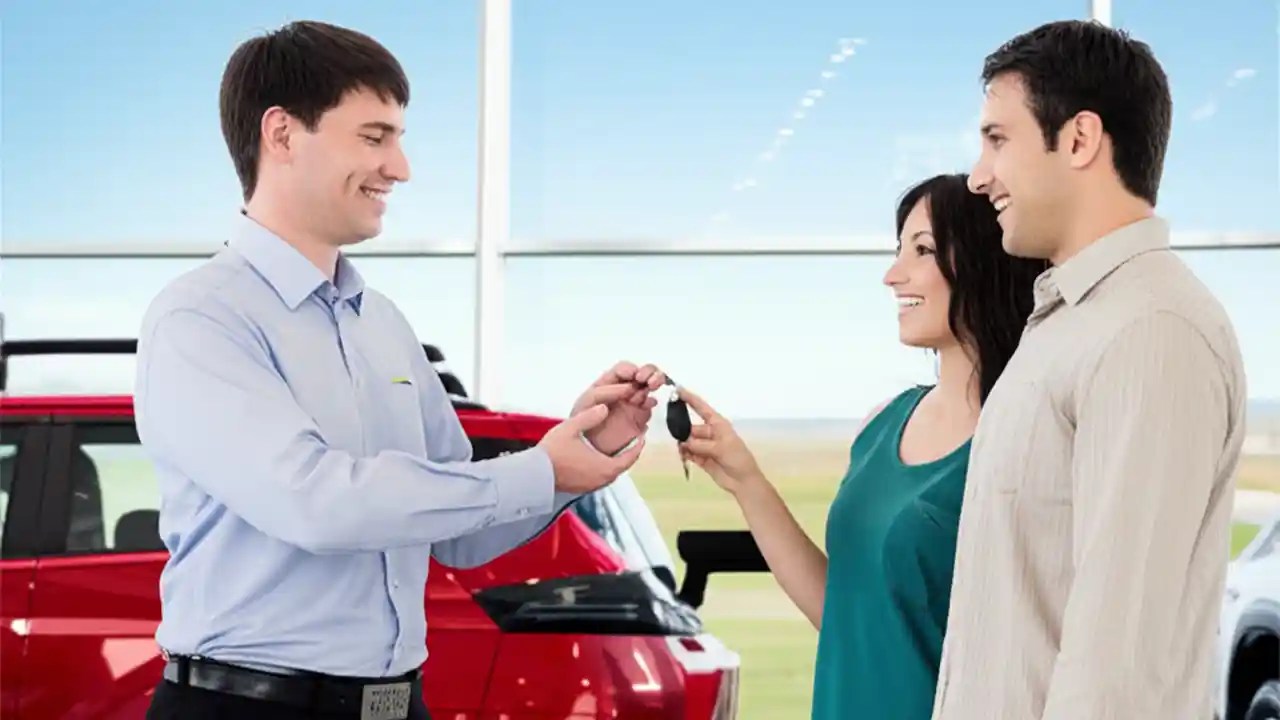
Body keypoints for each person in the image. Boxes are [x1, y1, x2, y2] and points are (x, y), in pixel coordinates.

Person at [135, 20, 664, 720]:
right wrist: (539, 471)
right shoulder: (200, 319)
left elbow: (461, 532)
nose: (401, 168)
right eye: (375, 137)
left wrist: (578, 449)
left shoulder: (381, 322)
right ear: (283, 134)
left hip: (397, 705)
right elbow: (314, 502)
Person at [929, 20, 1248, 720]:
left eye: (997, 139)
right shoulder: (1068, 326)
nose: (979, 176)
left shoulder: (1151, 332)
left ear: (1079, 139)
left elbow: (1117, 666)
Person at [675, 172, 1049, 719]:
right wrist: (743, 479)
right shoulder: (881, 425)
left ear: (982, 261)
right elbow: (843, 613)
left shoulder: (1021, 438)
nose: (893, 275)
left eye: (922, 250)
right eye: (899, 251)